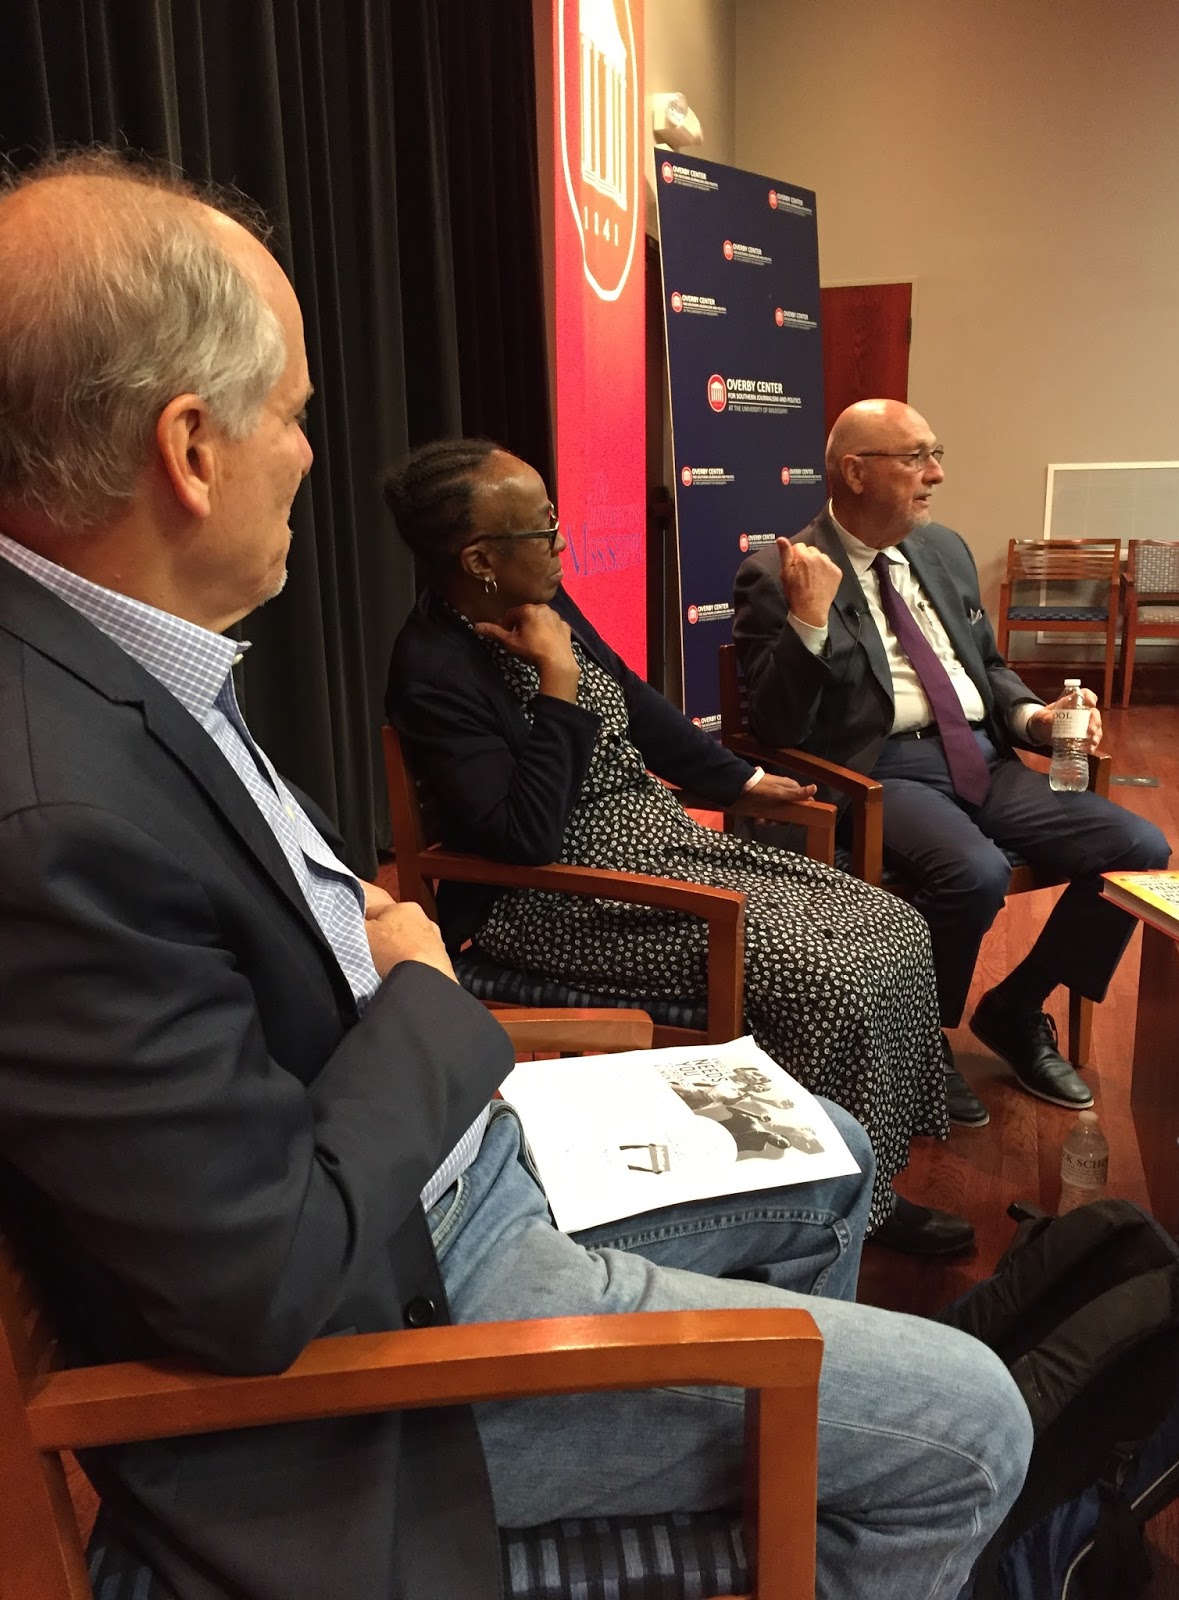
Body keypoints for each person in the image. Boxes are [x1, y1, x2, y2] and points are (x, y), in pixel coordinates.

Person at [0, 154, 1031, 1600]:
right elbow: (267, 1271)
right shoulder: (54, 796)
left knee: (840, 1154)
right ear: (190, 448)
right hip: (403, 1303)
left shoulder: (129, 669)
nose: (307, 452)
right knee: (974, 1422)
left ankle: (747, 1466)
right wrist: (423, 989)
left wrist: (737, 782)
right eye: (292, 415)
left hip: (449, 1154)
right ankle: (731, 1486)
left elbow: (644, 739)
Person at [385, 438, 971, 1257]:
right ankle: (803, 1213)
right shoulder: (431, 669)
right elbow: (522, 838)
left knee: (893, 926)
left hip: (652, 842)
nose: (562, 547)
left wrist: (737, 782)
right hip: (554, 894)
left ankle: (861, 1182)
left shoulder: (546, 602)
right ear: (481, 559)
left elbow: (640, 705)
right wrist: (556, 686)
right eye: (544, 531)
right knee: (826, 974)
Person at [733, 399, 1170, 1124]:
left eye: (935, 454)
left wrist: (1035, 717)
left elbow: (988, 669)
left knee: (1139, 849)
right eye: (915, 459)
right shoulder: (778, 572)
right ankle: (921, 1042)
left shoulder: (946, 551)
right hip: (879, 771)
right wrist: (810, 620)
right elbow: (775, 725)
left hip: (981, 756)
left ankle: (1016, 1008)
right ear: (855, 472)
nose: (935, 474)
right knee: (974, 871)